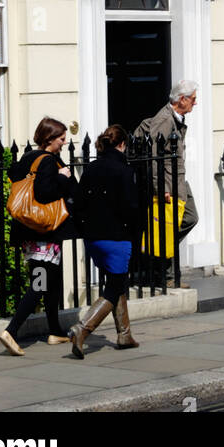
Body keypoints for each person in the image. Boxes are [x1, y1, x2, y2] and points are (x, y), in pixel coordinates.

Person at [0, 117, 78, 356]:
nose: (64, 143)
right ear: (50, 139)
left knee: (52, 282)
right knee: (39, 283)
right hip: (45, 232)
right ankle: (11, 331)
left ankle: (55, 331)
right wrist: (62, 177)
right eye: (61, 139)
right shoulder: (47, 162)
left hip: (31, 233)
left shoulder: (27, 158)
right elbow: (44, 195)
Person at [69, 124, 142, 356]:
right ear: (122, 145)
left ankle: (124, 334)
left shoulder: (91, 168)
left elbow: (78, 204)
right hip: (117, 239)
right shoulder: (125, 171)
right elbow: (132, 208)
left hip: (92, 239)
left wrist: (85, 229)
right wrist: (136, 235)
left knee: (115, 281)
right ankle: (82, 329)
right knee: (114, 287)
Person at [134, 80, 199, 249]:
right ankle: (162, 265)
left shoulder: (176, 118)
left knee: (190, 218)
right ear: (182, 99)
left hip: (178, 179)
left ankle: (162, 248)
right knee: (168, 224)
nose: (195, 102)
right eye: (193, 99)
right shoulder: (164, 120)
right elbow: (156, 156)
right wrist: (161, 187)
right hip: (168, 183)